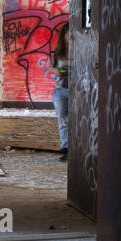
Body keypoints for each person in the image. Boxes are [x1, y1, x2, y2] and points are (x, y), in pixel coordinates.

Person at [50, 23, 70, 161]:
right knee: (62, 120)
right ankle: (65, 147)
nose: (71, 37)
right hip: (60, 91)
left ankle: (77, 146)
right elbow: (50, 67)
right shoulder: (57, 52)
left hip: (78, 91)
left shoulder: (81, 49)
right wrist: (56, 71)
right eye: (69, 34)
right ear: (63, 36)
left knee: (76, 120)